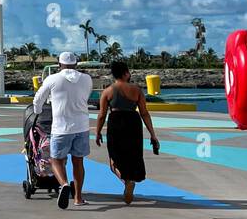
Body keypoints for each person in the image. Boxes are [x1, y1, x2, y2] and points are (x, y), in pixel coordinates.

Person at [31, 51, 93, 209]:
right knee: (78, 161)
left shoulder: (52, 78)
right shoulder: (86, 79)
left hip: (61, 127)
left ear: (59, 65)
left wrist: (38, 112)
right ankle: (78, 198)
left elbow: (38, 99)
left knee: (55, 160)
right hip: (82, 126)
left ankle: (64, 184)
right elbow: (84, 97)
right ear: (76, 64)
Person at [94, 60, 161, 204]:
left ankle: (126, 181)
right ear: (125, 73)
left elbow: (101, 115)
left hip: (116, 123)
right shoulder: (137, 90)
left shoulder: (108, 91)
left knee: (114, 159)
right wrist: (153, 134)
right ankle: (130, 181)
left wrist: (98, 132)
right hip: (133, 124)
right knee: (132, 156)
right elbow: (144, 113)